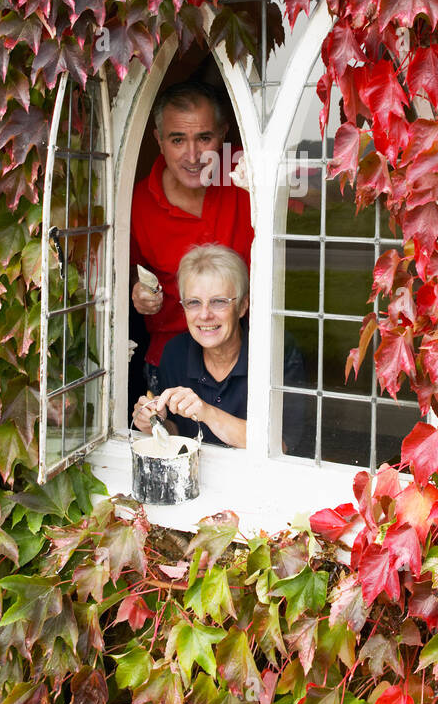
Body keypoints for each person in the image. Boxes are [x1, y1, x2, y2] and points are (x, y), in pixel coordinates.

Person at [130, 81, 254, 394]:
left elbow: (318, 192)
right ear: (158, 140)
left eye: (204, 138)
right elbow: (127, 277)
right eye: (177, 139)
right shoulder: (137, 203)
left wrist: (269, 179)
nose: (193, 154)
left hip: (251, 351)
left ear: (223, 133)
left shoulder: (244, 165)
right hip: (172, 359)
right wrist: (138, 295)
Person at [133, 245, 307, 451]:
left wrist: (208, 412)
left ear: (243, 306)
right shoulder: (175, 352)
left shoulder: (276, 352)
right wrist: (156, 422)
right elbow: (178, 433)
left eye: (218, 302)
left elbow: (280, 445)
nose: (205, 314)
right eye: (194, 302)